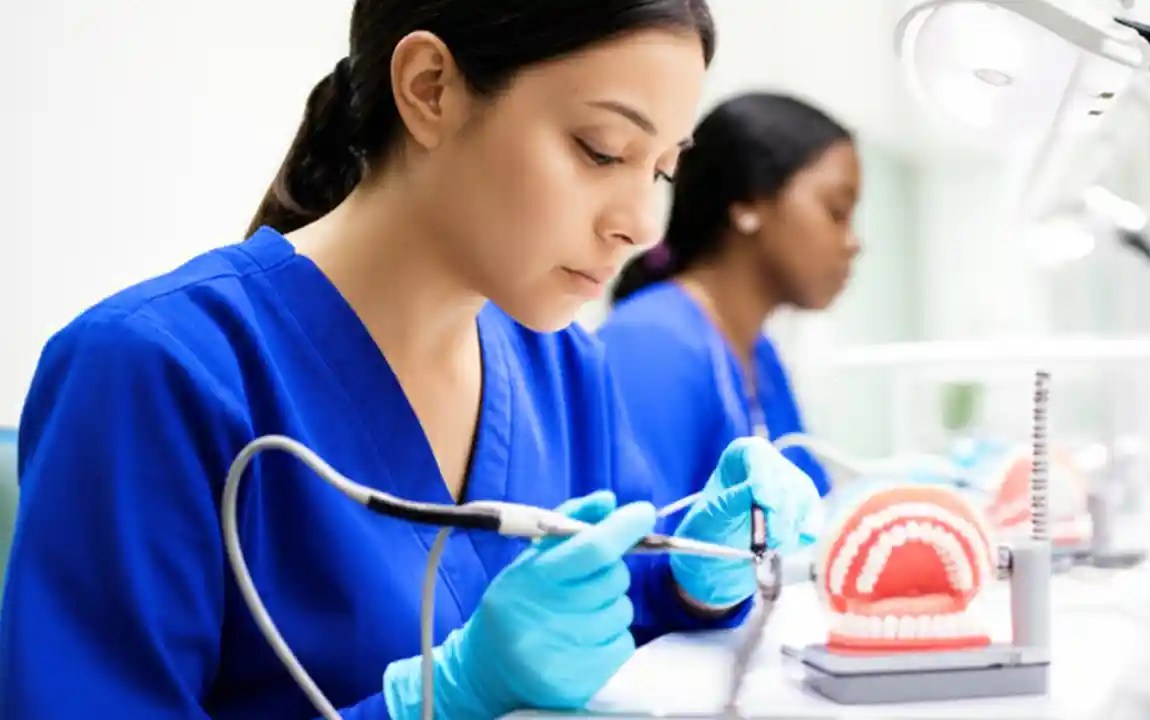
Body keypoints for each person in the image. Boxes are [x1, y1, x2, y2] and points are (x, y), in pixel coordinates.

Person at [0, 4, 821, 719]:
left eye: (664, 168)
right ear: (430, 88)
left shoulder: (563, 369)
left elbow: (610, 609)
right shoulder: (156, 373)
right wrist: (438, 698)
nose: (643, 223)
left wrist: (697, 571)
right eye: (602, 150)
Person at [599, 93, 862, 524]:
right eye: (837, 211)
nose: (853, 242)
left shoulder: (759, 353)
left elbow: (812, 510)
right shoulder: (651, 343)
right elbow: (635, 545)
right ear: (748, 203)